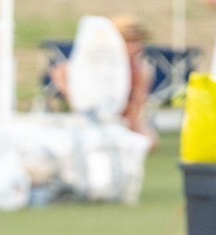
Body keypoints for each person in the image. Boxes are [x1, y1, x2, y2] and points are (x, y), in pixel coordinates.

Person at [52, 15, 158, 148]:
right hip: (88, 118)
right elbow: (61, 72)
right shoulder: (96, 64)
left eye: (139, 41)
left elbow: (136, 112)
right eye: (130, 41)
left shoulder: (141, 71)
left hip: (118, 121)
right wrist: (72, 97)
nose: (137, 47)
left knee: (149, 140)